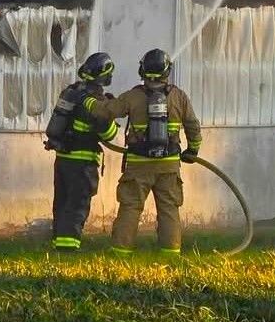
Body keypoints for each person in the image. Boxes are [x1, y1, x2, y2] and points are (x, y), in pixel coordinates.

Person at [86, 48, 202, 255]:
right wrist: (192, 150)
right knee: (169, 208)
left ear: (142, 70)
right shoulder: (179, 96)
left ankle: (121, 251)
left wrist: (87, 99)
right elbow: (193, 126)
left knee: (130, 207)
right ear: (167, 71)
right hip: (169, 165)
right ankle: (170, 252)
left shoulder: (133, 96)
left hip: (138, 165)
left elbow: (106, 111)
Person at [43, 51, 119, 252]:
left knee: (62, 202)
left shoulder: (72, 92)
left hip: (63, 158)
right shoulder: (93, 101)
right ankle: (68, 248)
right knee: (77, 205)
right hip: (82, 162)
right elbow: (108, 134)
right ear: (104, 76)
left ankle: (58, 243)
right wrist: (110, 114)